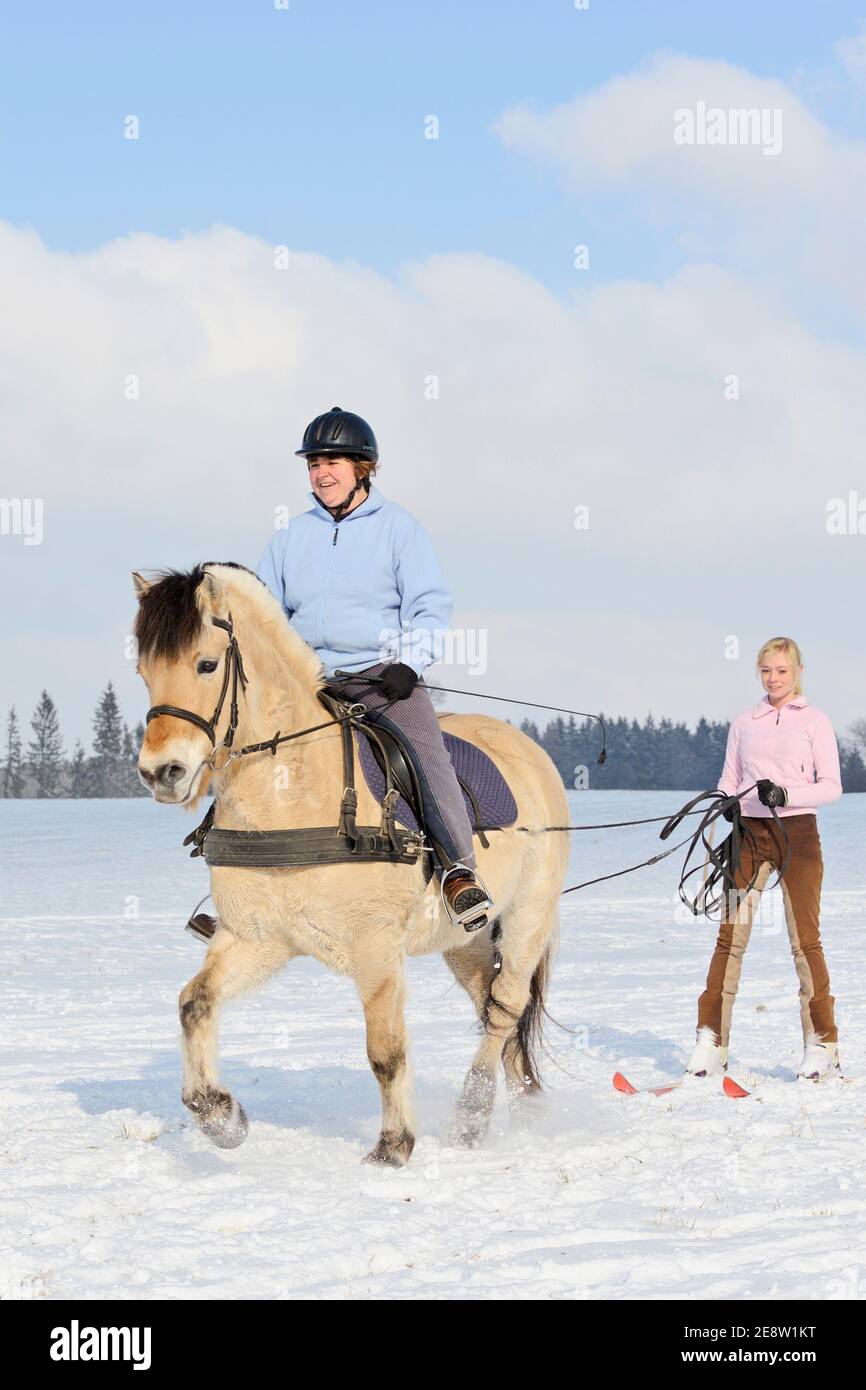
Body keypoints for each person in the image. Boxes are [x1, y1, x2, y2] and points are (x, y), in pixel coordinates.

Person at [255, 405, 493, 930]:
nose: (322, 472)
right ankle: (241, 885)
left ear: (363, 467)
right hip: (309, 683)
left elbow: (429, 608)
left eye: (333, 461)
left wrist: (409, 664)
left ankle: (458, 872)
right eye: (314, 463)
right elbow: (264, 615)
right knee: (248, 750)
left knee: (424, 755)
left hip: (382, 680)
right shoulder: (290, 538)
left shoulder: (400, 530)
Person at [686, 637, 843, 1082]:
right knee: (729, 937)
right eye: (767, 671)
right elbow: (729, 777)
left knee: (805, 941)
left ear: (797, 672)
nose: (774, 679)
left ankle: (823, 1044)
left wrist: (788, 793)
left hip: (797, 834)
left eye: (782, 671)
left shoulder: (815, 721)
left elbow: (832, 786)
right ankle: (711, 1040)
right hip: (749, 836)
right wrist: (731, 801)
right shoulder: (744, 723)